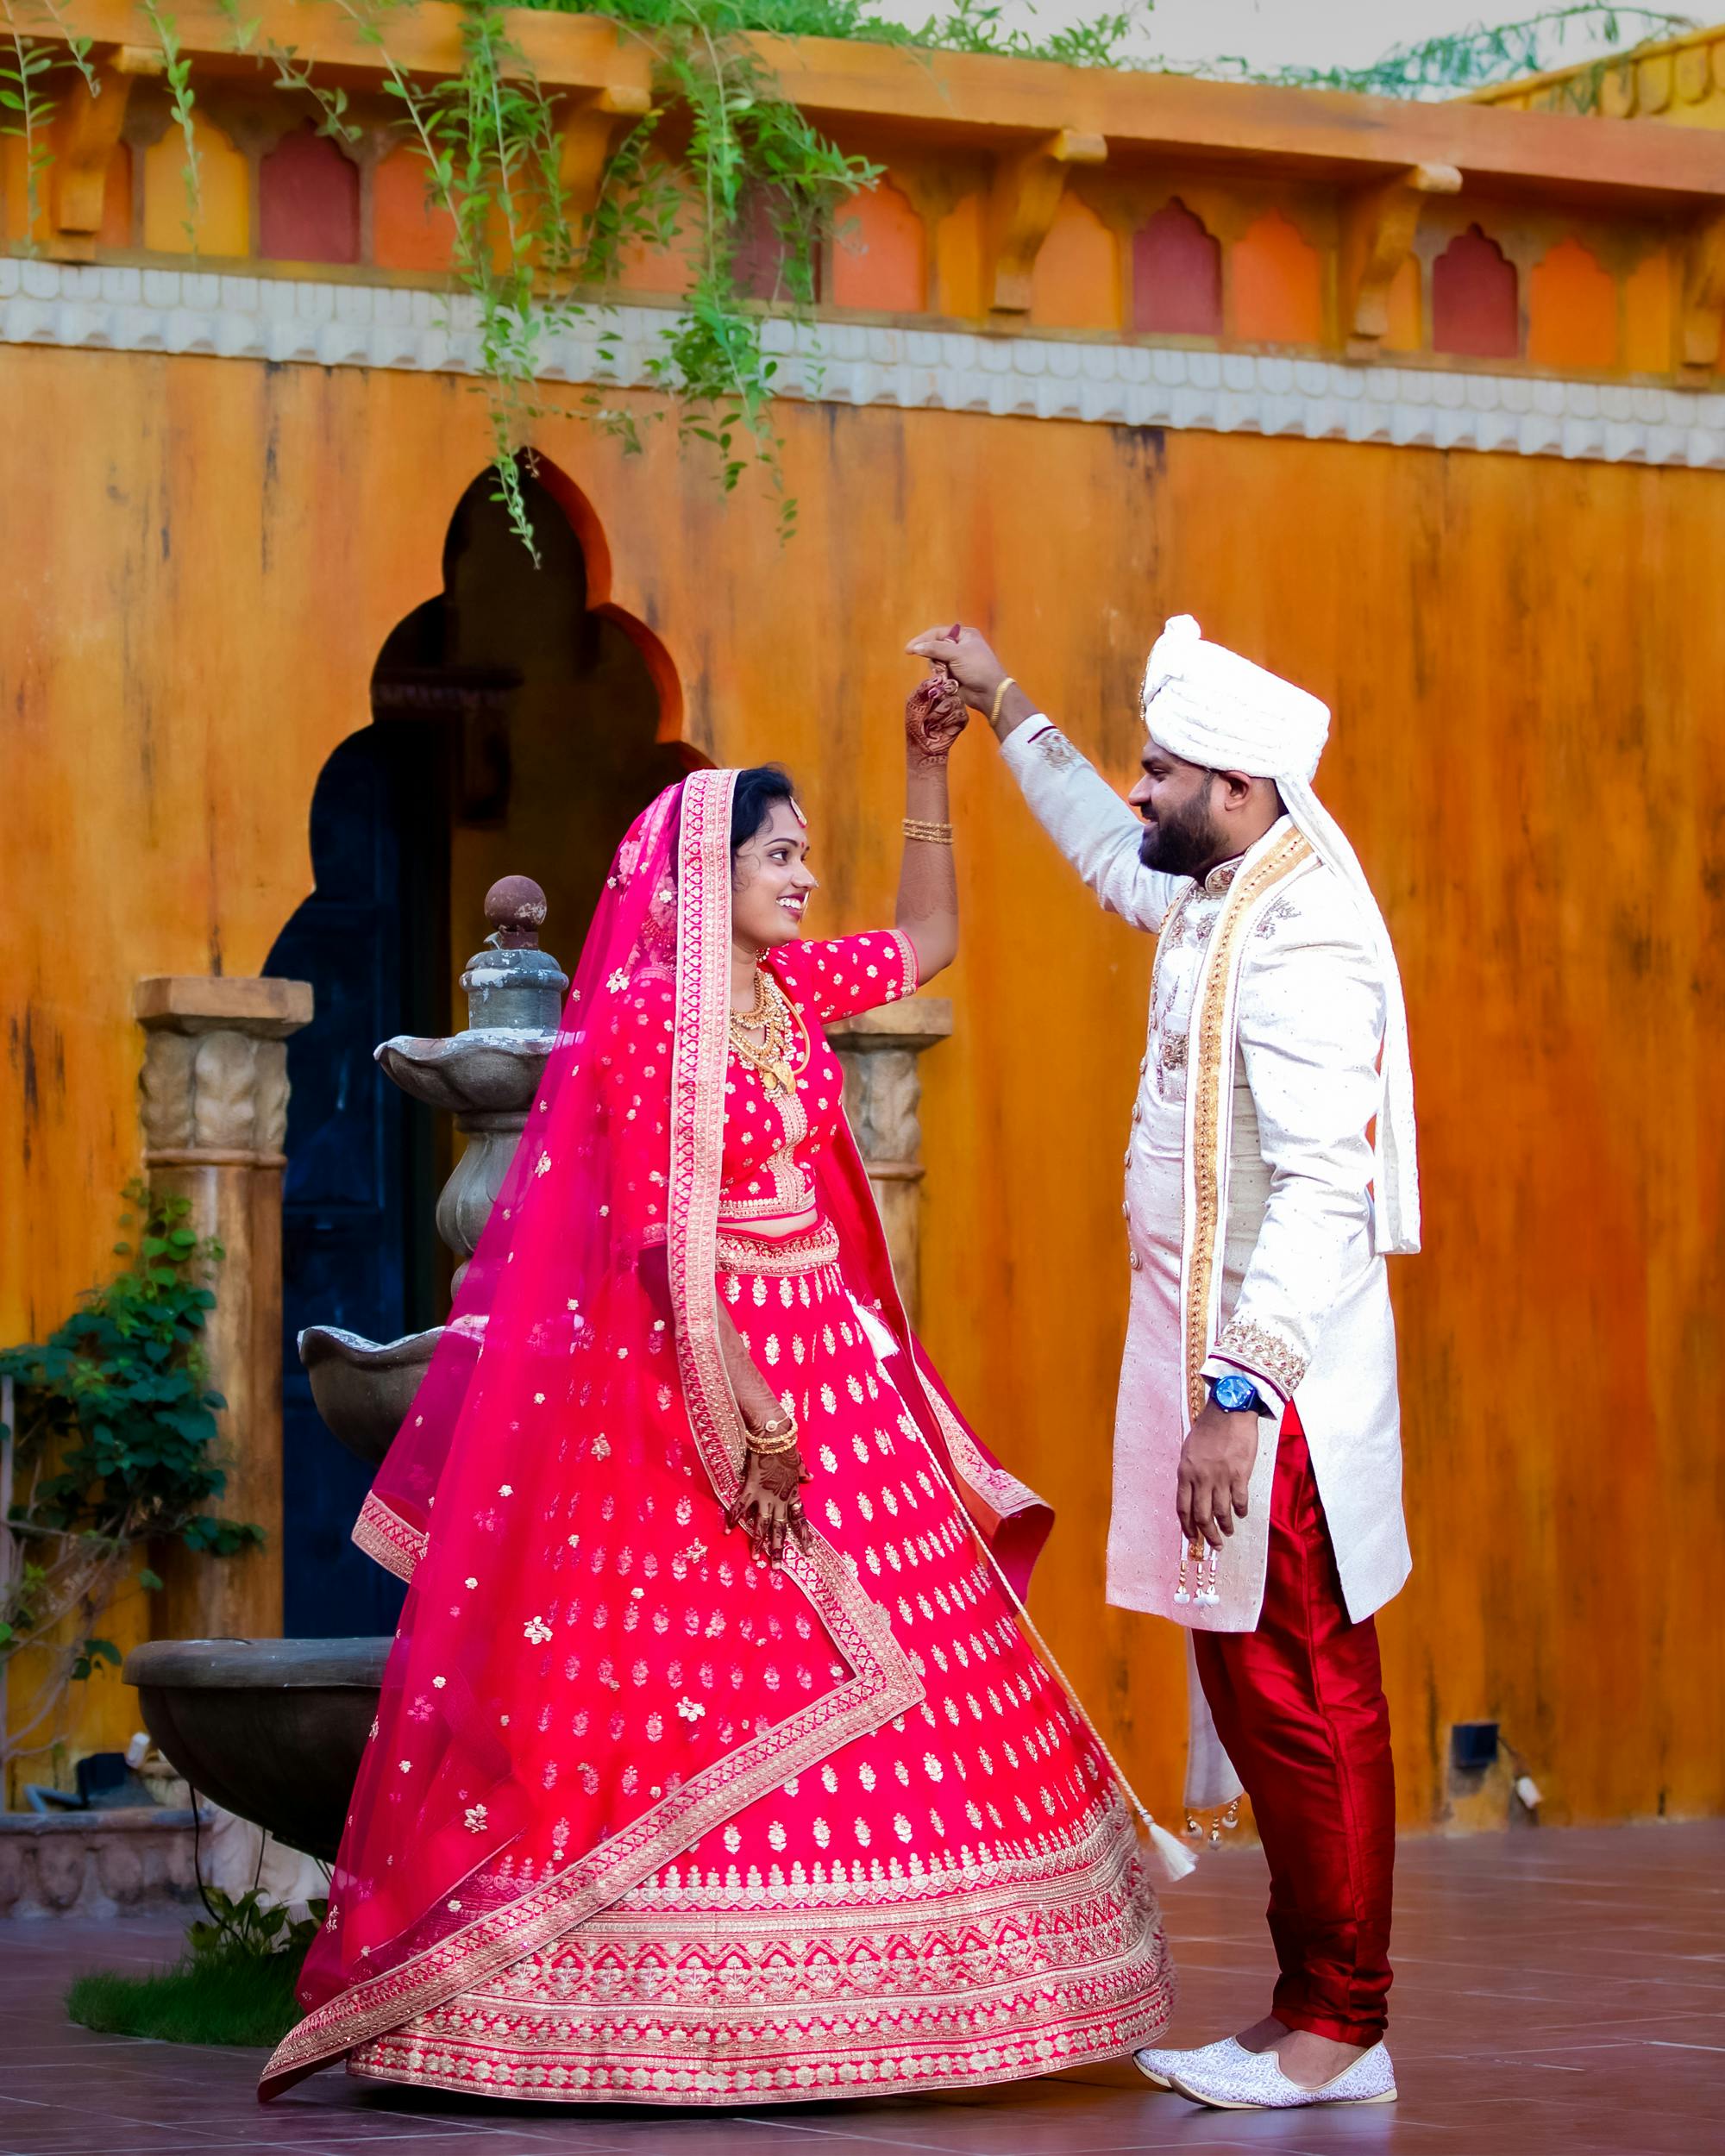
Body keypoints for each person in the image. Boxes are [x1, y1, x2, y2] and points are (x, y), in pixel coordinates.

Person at [260, 681, 1179, 2106]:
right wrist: (748, 1404)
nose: (806, 876)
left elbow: (928, 940)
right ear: (706, 869)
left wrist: (928, 763)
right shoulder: (644, 1013)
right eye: (779, 855)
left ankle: (907, 1996)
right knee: (695, 1682)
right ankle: (646, 2012)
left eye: (809, 852)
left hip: (834, 1362)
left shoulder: (786, 987)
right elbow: (650, 1231)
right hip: (692, 1373)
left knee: (923, 1667)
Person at [906, 614, 1417, 2114]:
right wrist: (1005, 707)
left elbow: (1327, 1185)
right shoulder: (1219, 892)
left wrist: (1241, 1398)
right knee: (1255, 1685)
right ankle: (1313, 2006)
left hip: (1279, 1391)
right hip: (1217, 1376)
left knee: (1309, 1689)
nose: (1142, 792)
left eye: (1165, 771)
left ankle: (1346, 2023)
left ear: (1245, 789)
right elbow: (1100, 853)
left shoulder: (1301, 929)